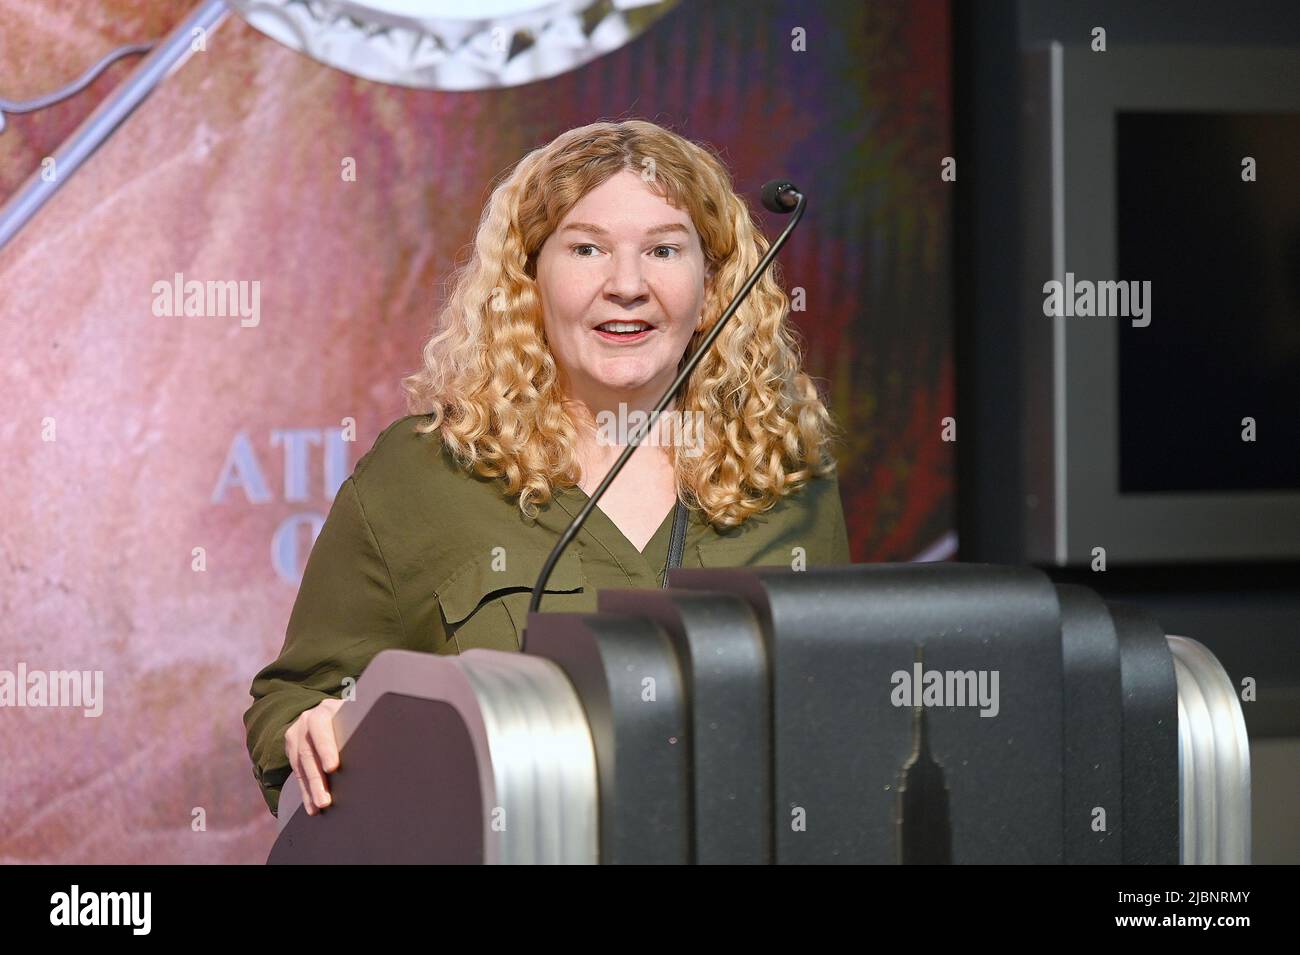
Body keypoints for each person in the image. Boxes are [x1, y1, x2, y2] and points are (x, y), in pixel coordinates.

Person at [242, 119, 851, 819]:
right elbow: (297, 694)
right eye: (587, 247)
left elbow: (834, 720)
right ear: (529, 280)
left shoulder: (788, 479)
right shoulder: (424, 472)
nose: (628, 284)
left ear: (713, 286)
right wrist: (313, 724)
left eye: (663, 249)